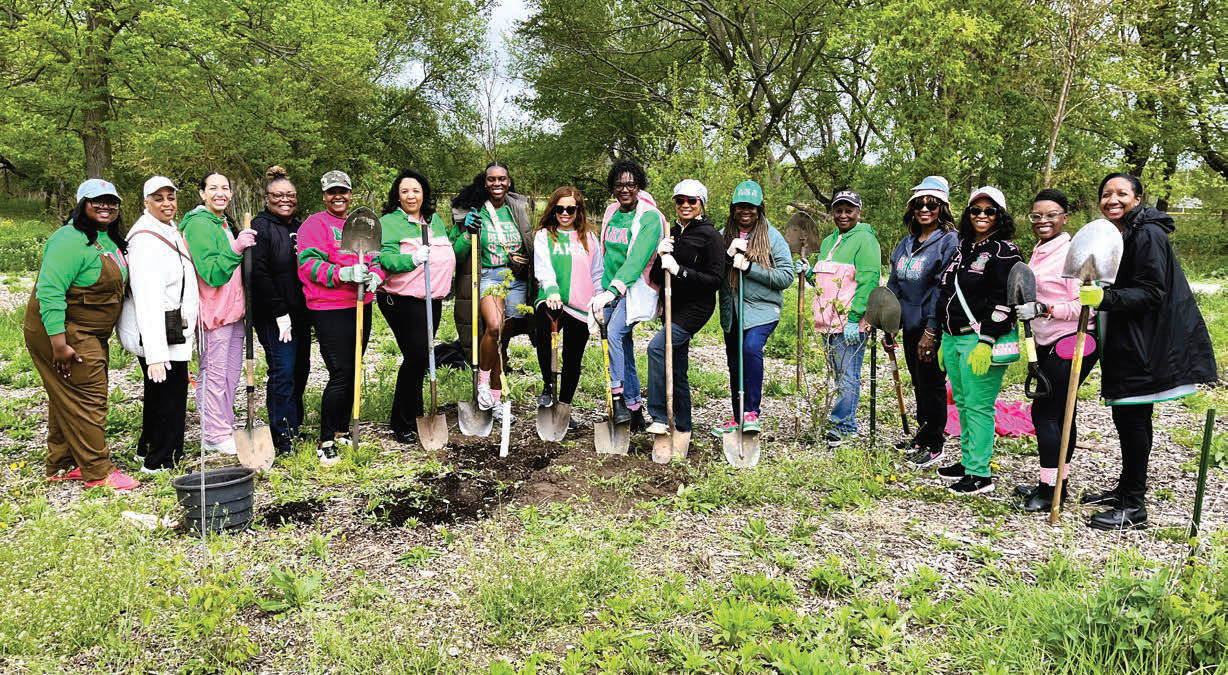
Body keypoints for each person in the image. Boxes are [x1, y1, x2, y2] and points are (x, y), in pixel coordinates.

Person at [1077, 173, 1216, 530]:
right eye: (1106, 194)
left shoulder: (1147, 234)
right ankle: (1125, 490)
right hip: (1128, 338)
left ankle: (1134, 506)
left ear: (1138, 199)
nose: (1113, 199)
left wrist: (1106, 298)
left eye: (1122, 193)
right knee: (1128, 418)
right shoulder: (1121, 233)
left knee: (1134, 418)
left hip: (1146, 343)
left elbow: (1153, 292)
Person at [26, 179, 138, 489]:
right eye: (97, 200)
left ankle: (61, 464)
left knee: (67, 393)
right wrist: (59, 344)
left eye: (112, 201)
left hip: (91, 331)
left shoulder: (109, 240)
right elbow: (49, 292)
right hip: (63, 329)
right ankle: (97, 471)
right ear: (81, 204)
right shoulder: (68, 239)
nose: (106, 206)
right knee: (90, 396)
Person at [1012, 188, 1100, 512]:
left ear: (1065, 217)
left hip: (1075, 340)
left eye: (1051, 215)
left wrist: (1045, 309)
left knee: (1046, 412)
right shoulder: (1041, 249)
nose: (1043, 221)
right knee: (1060, 413)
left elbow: (1085, 305)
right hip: (1048, 342)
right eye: (1037, 216)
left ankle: (1050, 491)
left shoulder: (1073, 252)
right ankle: (1054, 482)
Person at [933, 186, 1022, 495]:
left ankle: (980, 473)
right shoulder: (963, 247)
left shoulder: (1004, 251)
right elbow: (947, 290)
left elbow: (1004, 301)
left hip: (979, 339)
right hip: (953, 337)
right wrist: (943, 336)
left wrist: (986, 340)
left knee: (979, 406)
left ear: (1000, 215)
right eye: (975, 210)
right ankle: (968, 460)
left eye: (989, 211)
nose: (981, 216)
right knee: (962, 403)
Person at [297, 170, 383, 466]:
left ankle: (342, 428)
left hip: (361, 304)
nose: (338, 196)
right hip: (329, 307)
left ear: (350, 194)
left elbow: (378, 258)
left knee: (354, 368)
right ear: (324, 195)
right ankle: (325, 440)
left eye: (343, 191)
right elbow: (307, 264)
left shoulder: (362, 224)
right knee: (341, 371)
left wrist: (376, 276)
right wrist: (341, 274)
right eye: (332, 191)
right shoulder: (314, 224)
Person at [117, 176, 199, 473]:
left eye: (170, 197)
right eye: (159, 198)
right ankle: (162, 460)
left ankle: (147, 447)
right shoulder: (144, 241)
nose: (167, 203)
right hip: (159, 331)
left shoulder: (166, 229)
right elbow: (147, 298)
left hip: (170, 326)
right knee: (171, 395)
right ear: (146, 202)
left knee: (158, 392)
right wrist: (155, 354)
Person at [378, 169, 460, 444]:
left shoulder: (434, 220)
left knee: (421, 357)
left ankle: (416, 413)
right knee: (416, 356)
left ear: (424, 193)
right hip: (402, 299)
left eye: (415, 190)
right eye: (405, 191)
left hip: (432, 298)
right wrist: (411, 259)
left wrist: (464, 234)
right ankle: (401, 421)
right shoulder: (389, 222)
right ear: (397, 196)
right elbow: (385, 260)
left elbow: (451, 252)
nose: (411, 195)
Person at [180, 171, 255, 456]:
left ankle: (224, 426)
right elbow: (211, 273)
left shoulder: (221, 223)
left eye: (225, 187)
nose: (220, 193)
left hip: (233, 312)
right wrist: (237, 247)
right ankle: (213, 434)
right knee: (214, 373)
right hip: (215, 313)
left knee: (230, 374)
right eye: (213, 188)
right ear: (202, 193)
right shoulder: (199, 225)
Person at [449, 162, 534, 414]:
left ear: (509, 182)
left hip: (516, 279)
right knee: (494, 327)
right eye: (492, 180)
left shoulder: (517, 209)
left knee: (501, 342)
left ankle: (496, 399)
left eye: (502, 179)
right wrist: (467, 231)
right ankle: (483, 384)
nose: (497, 184)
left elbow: (528, 242)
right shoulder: (473, 212)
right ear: (484, 183)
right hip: (489, 277)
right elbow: (456, 253)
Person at [886, 176, 958, 465]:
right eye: (919, 204)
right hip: (908, 324)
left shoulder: (949, 241)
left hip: (932, 325)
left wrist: (932, 328)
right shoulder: (906, 244)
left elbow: (944, 288)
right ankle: (922, 435)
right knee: (918, 382)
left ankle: (935, 442)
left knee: (932, 383)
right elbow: (894, 284)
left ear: (942, 208)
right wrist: (889, 324)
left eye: (932, 204)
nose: (925, 209)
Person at [714, 180, 795, 435]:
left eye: (751, 206)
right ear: (733, 208)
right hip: (732, 310)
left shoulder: (772, 236)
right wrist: (726, 257)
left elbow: (786, 276)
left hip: (763, 309)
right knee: (735, 363)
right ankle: (738, 416)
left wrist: (750, 268)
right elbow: (712, 269)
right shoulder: (722, 234)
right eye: (740, 207)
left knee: (750, 349)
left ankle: (752, 412)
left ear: (760, 208)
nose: (745, 211)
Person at [590, 159, 666, 430]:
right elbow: (606, 252)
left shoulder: (650, 217)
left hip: (634, 289)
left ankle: (617, 396)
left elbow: (636, 259)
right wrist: (601, 289)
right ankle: (635, 409)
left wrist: (613, 292)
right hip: (609, 289)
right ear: (612, 188)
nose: (625, 190)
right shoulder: (612, 212)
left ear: (639, 186)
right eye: (619, 185)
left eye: (631, 185)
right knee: (624, 347)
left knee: (615, 334)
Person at [646, 179, 725, 437]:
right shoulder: (672, 233)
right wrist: (661, 255)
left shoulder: (710, 236)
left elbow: (715, 280)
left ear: (701, 203)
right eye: (680, 200)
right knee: (677, 368)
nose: (685, 205)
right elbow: (658, 277)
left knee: (657, 349)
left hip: (695, 309)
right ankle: (682, 425)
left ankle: (658, 415)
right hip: (672, 306)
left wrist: (680, 271)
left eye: (692, 200)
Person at [805, 189, 882, 445]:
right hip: (826, 323)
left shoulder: (866, 240)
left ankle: (844, 428)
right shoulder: (829, 242)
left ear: (859, 212)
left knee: (848, 376)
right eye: (839, 210)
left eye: (849, 210)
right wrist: (808, 273)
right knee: (838, 376)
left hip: (847, 325)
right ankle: (839, 421)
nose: (843, 215)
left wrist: (855, 318)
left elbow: (868, 281)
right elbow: (826, 281)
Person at [251, 166, 308, 457]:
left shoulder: (298, 227)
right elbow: (258, 274)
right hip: (274, 316)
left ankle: (295, 425)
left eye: (290, 195)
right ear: (267, 197)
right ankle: (281, 434)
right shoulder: (261, 227)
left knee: (300, 370)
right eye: (278, 195)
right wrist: (279, 312)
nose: (284, 199)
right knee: (283, 371)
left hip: (300, 313)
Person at [532, 186, 602, 425]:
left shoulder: (589, 239)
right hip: (552, 299)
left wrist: (599, 300)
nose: (564, 213)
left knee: (573, 357)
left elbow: (597, 273)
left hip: (581, 304)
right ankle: (548, 386)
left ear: (578, 211)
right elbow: (543, 266)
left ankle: (564, 408)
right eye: (560, 208)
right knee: (543, 336)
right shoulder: (544, 235)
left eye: (570, 209)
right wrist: (551, 289)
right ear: (553, 210)